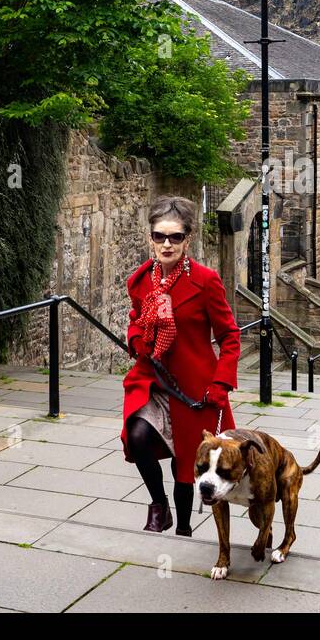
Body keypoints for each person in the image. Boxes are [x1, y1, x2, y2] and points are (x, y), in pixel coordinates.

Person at [122, 195, 240, 536]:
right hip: (153, 379)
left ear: (187, 239)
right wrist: (135, 339)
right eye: (160, 236)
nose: (167, 244)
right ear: (151, 238)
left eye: (175, 237)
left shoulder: (205, 281)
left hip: (194, 386)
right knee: (137, 434)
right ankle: (158, 507)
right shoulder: (141, 280)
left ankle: (184, 527)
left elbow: (230, 336)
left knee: (186, 464)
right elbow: (135, 319)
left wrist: (220, 385)